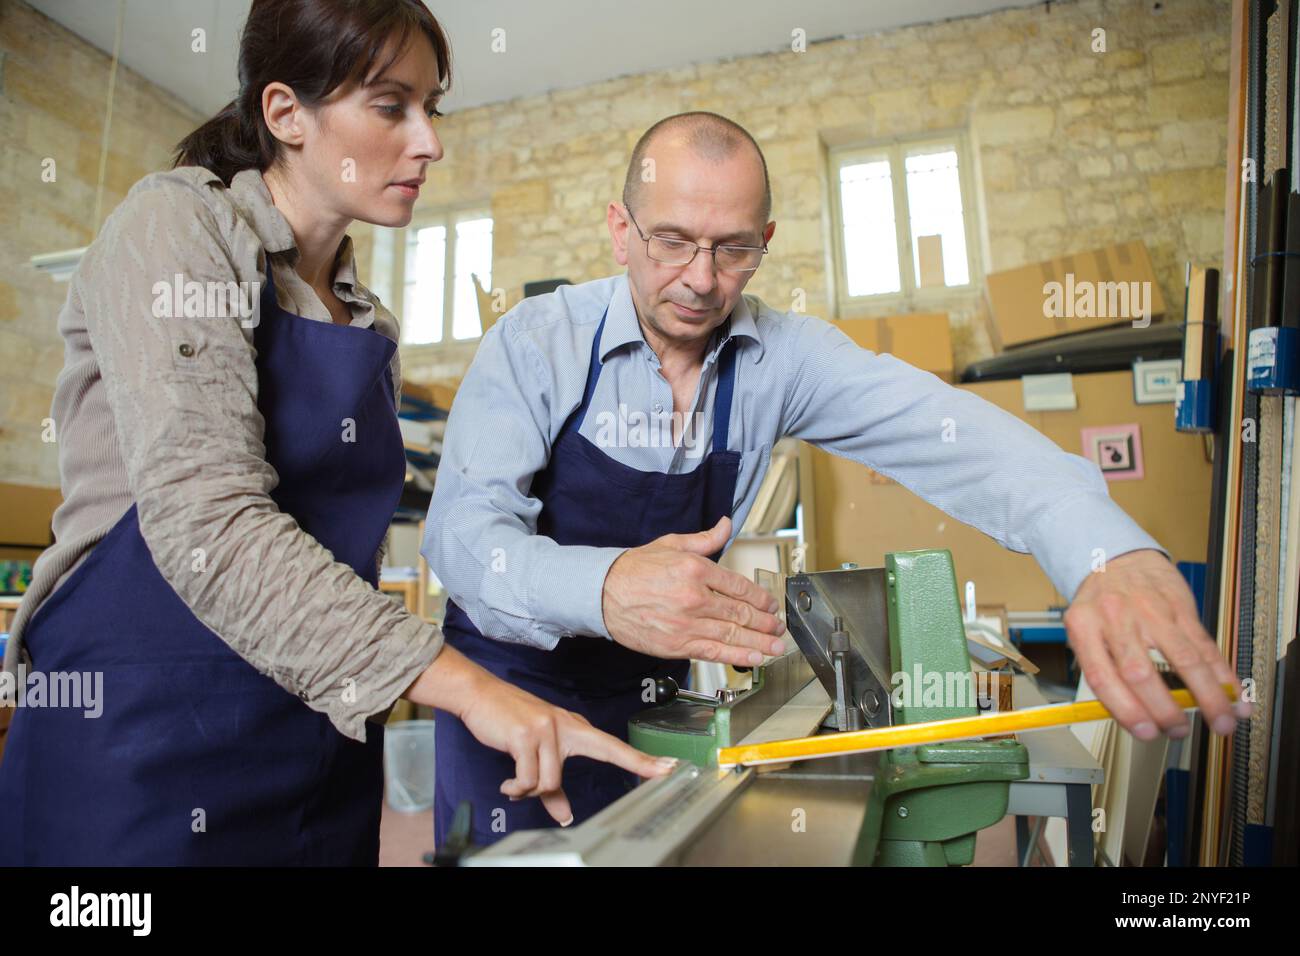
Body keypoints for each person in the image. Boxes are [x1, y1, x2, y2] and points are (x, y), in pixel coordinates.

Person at [424, 110, 1251, 848]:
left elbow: (960, 436)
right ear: (619, 230)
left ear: (766, 242)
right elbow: (462, 540)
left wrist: (1103, 550)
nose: (702, 279)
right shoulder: (535, 342)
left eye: (734, 249)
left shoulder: (783, 358)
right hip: (510, 700)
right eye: (670, 240)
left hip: (652, 704)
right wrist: (606, 587)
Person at [0, 0, 671, 867]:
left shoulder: (369, 324)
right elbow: (211, 526)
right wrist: (469, 691)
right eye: (392, 107)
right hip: (139, 736)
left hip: (313, 733)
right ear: (285, 113)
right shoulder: (175, 230)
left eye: (433, 108)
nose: (428, 141)